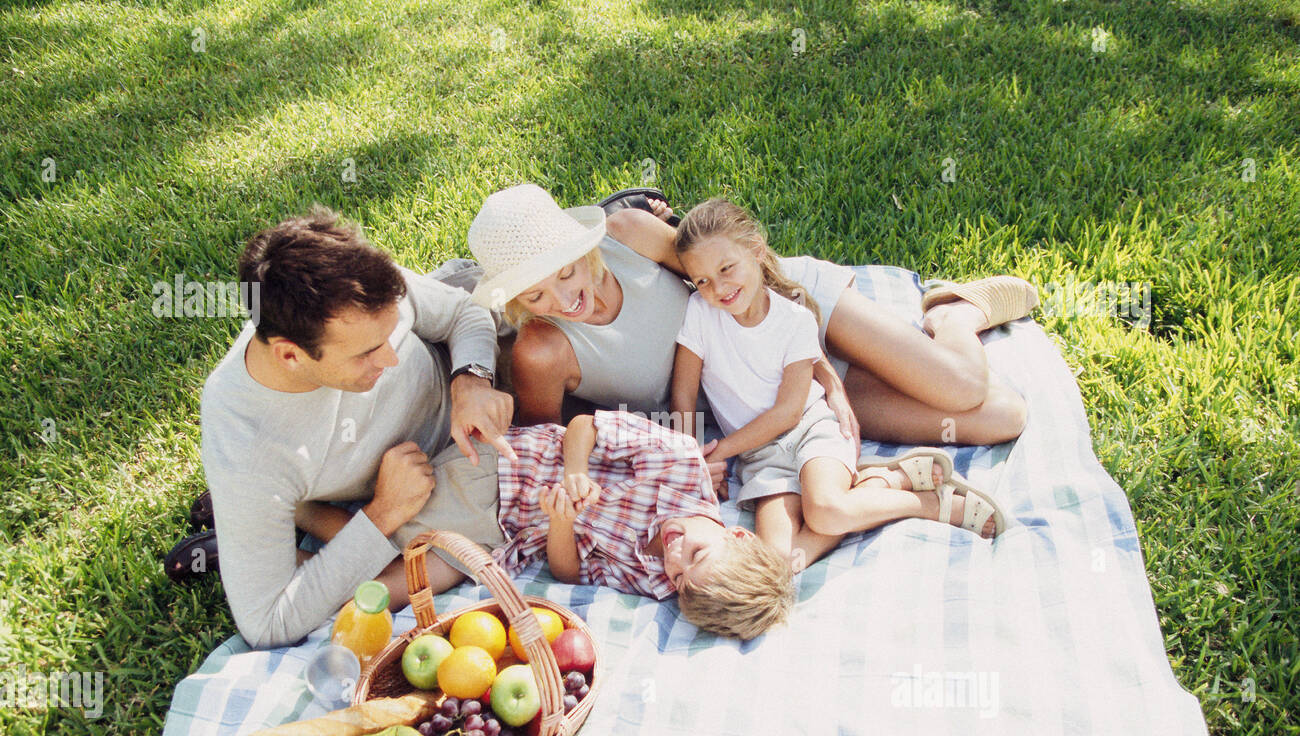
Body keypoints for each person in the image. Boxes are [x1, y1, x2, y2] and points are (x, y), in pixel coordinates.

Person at [466, 183, 1036, 459]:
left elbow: (719, 273)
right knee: (1001, 416)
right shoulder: (541, 351)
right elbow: (550, 445)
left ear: (582, 246)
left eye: (568, 273)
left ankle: (955, 312)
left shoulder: (629, 235)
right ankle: (944, 324)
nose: (565, 300)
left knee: (960, 385)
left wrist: (830, 379)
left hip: (791, 309)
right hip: (764, 386)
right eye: (534, 295)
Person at [199, 207, 515, 649]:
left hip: (480, 394)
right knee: (460, 547)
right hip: (436, 480)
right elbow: (267, 624)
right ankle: (266, 529)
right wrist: (385, 511)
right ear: (291, 356)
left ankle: (287, 520)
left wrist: (471, 380)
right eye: (368, 353)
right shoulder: (249, 445)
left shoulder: (361, 295)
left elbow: (463, 313)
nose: (391, 358)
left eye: (392, 335)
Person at [668, 198, 1004, 575]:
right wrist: (691, 454)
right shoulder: (700, 311)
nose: (719, 287)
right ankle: (883, 481)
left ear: (757, 251)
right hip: (760, 456)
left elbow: (788, 412)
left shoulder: (794, 320)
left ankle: (925, 504)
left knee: (825, 511)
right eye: (703, 280)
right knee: (778, 561)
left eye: (727, 268)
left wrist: (718, 452)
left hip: (812, 431)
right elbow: (683, 395)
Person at [296, 409, 799, 641]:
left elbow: (569, 573)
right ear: (738, 533)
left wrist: (562, 523)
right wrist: (575, 474)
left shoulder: (659, 583)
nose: (673, 559)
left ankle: (302, 573)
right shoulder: (679, 462)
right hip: (503, 475)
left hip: (505, 538)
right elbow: (584, 427)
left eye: (679, 576)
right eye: (695, 554)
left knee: (412, 581)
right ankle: (292, 511)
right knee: (392, 551)